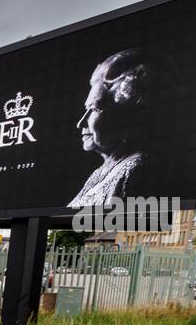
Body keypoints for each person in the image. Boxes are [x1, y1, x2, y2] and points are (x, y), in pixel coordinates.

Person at [68, 48, 177, 208]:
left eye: (95, 109)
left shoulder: (135, 169)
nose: (81, 123)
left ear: (126, 115)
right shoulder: (100, 172)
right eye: (87, 109)